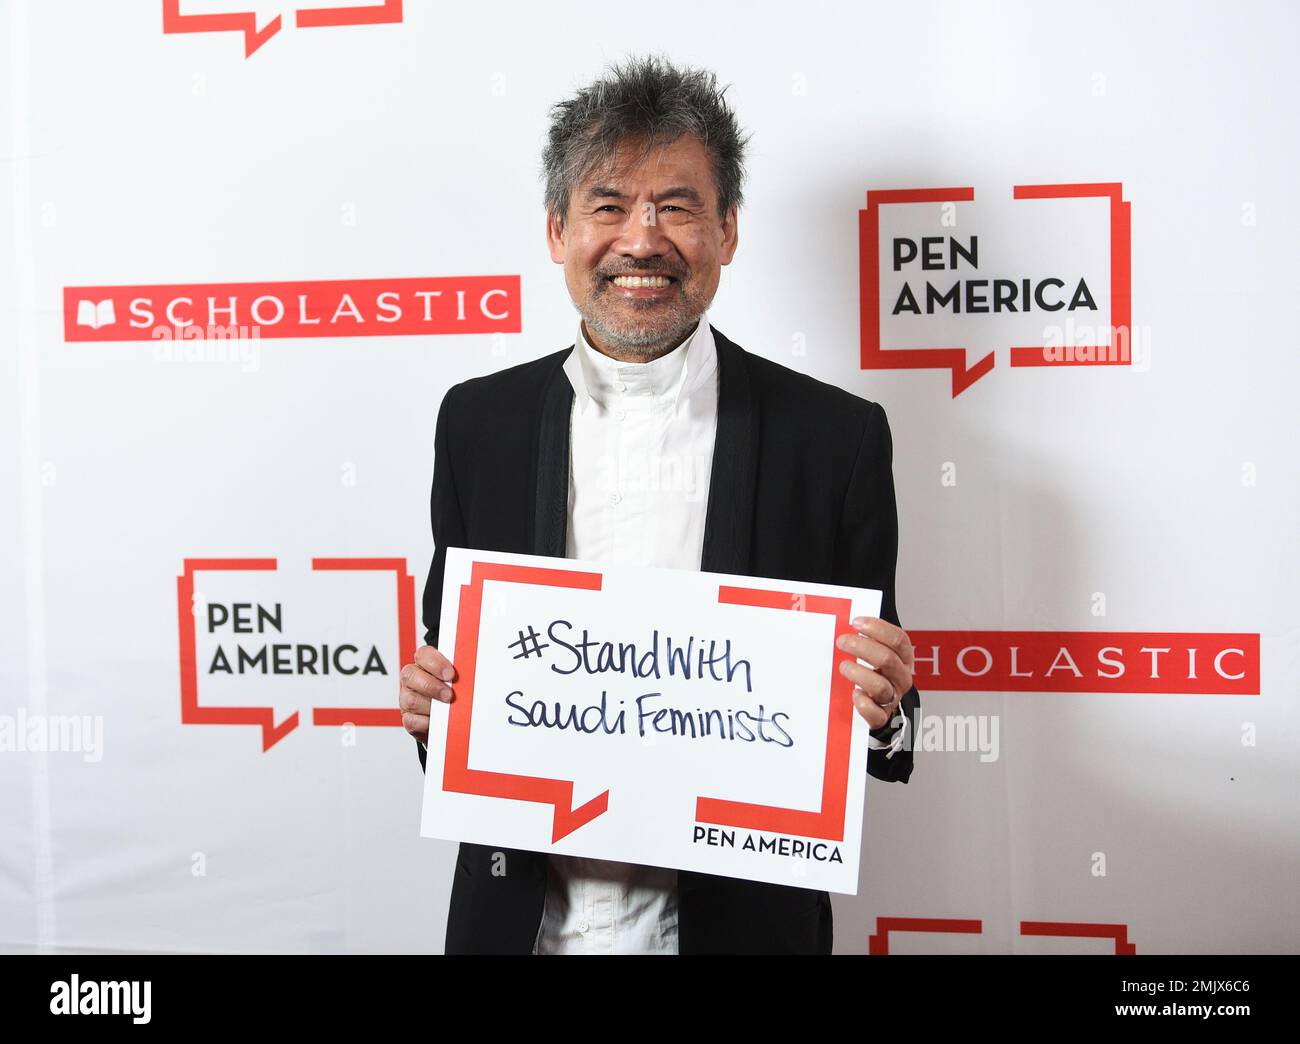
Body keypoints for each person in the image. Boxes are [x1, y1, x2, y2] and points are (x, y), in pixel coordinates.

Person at [398, 54, 919, 955]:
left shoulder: (835, 439)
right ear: (557, 231)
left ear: (727, 230)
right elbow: (455, 686)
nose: (643, 241)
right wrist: (431, 706)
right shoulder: (477, 423)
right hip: (522, 929)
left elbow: (890, 720)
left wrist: (889, 703)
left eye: (676, 207)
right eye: (608, 206)